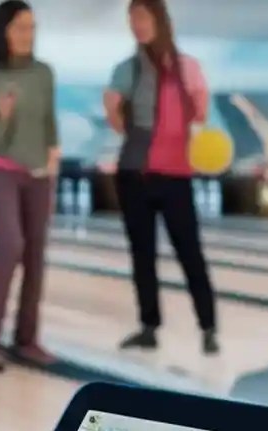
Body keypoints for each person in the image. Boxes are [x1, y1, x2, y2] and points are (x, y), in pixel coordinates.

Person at [104, 0, 219, 355]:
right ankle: (148, 327)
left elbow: (200, 113)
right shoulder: (127, 69)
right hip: (135, 174)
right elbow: (112, 109)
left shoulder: (188, 68)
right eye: (132, 19)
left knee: (190, 252)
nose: (137, 25)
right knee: (143, 254)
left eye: (142, 17)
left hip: (175, 175)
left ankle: (208, 327)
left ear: (159, 20)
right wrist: (134, 132)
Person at [0, 0, 60, 373]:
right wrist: (4, 117)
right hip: (0, 171)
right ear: (3, 32)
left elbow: (48, 119)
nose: (28, 35)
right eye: (21, 27)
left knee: (36, 256)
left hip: (41, 174)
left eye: (32, 28)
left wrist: (54, 153)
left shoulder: (43, 73)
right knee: (10, 245)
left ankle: (26, 340)